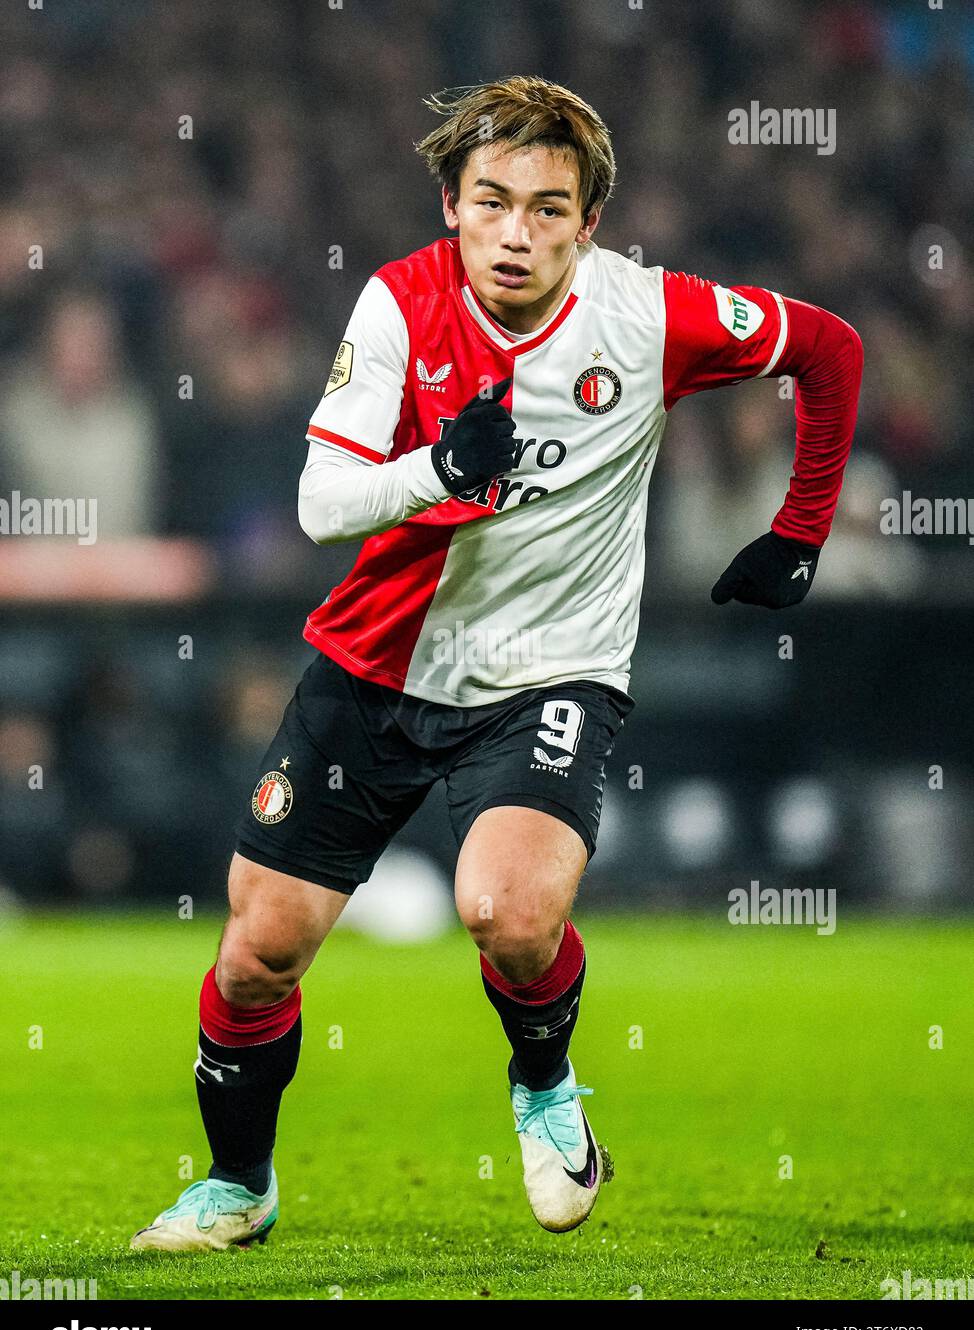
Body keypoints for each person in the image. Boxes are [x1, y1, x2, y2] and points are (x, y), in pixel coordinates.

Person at [131, 75, 862, 1250]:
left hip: (548, 671)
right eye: (492, 202)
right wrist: (440, 473)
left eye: (548, 208)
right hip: (372, 667)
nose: (516, 233)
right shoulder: (397, 305)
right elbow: (322, 500)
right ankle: (238, 1186)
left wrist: (799, 527)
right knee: (259, 951)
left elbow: (827, 349)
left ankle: (545, 1090)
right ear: (450, 205)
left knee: (505, 913)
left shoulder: (648, 317)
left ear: (588, 222)